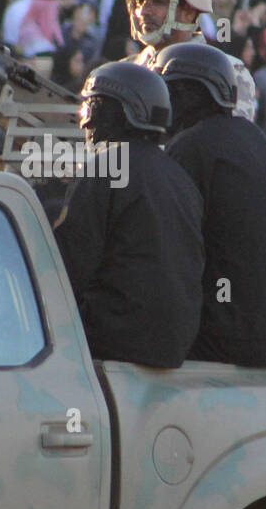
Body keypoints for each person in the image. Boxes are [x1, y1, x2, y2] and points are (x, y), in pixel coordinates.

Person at [157, 42, 266, 368]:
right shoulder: (253, 136)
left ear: (188, 94)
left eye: (169, 93)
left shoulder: (189, 147)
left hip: (241, 336)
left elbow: (171, 250)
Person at [50, 61, 204, 368]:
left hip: (117, 340)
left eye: (91, 107)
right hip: (174, 345)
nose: (84, 122)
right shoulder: (177, 174)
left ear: (121, 111)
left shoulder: (107, 165)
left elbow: (67, 267)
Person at [121, 0, 258, 122]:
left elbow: (229, 141)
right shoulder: (123, 70)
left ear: (189, 10)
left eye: (158, 1)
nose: (144, 12)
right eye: (138, 2)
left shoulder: (228, 71)